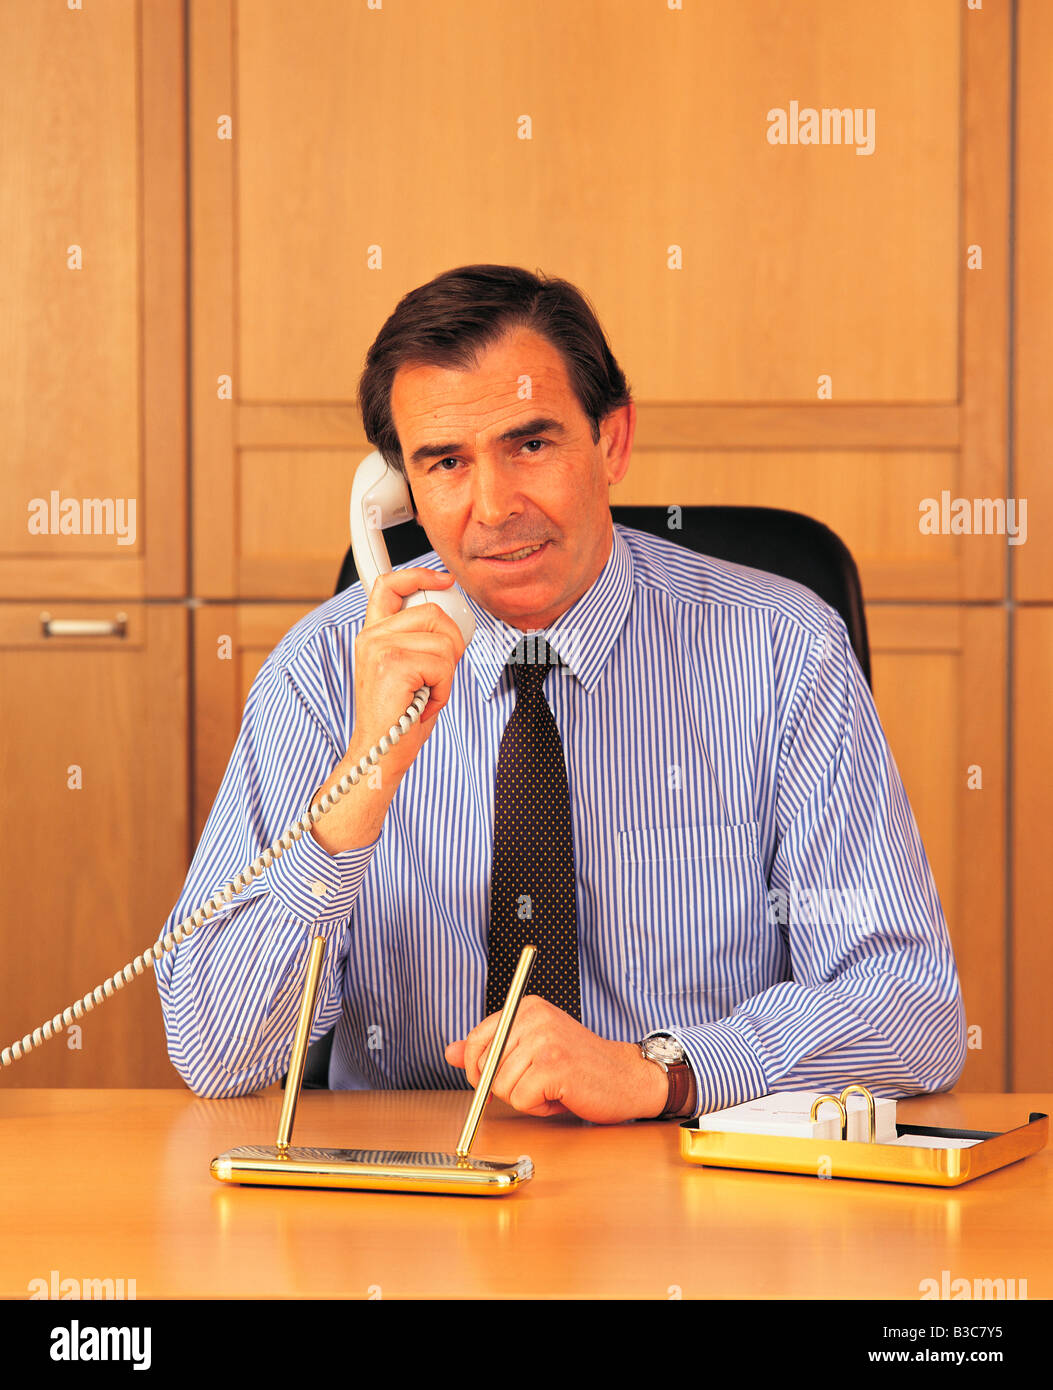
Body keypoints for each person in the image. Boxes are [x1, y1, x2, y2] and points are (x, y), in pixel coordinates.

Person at [154, 263, 967, 1121]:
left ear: (610, 441)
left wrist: (665, 1071)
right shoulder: (321, 671)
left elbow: (909, 1005)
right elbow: (216, 1050)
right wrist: (358, 789)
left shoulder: (782, 650)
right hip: (407, 1206)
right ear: (397, 495)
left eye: (530, 444)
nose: (494, 506)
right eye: (445, 463)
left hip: (692, 1192)